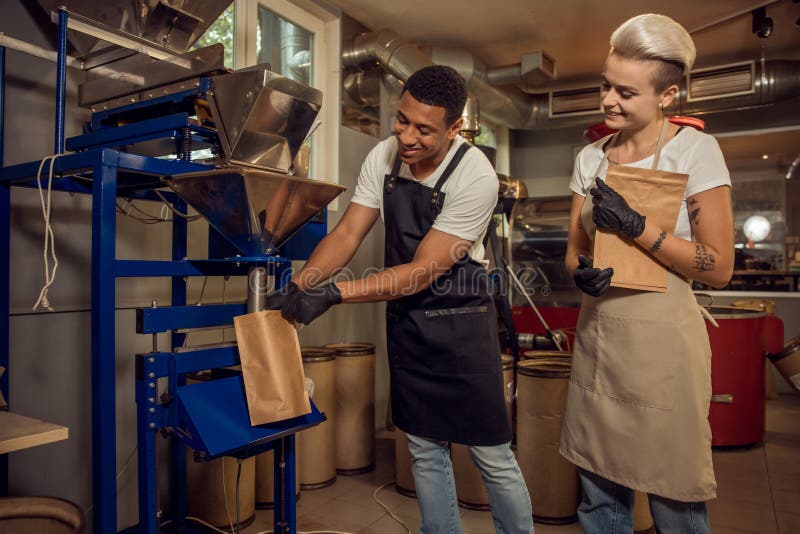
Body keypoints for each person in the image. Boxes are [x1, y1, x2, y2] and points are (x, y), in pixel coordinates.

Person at [267, 65, 533, 533]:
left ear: (455, 129)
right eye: (402, 119)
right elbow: (349, 231)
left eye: (424, 129)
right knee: (424, 449)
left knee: (492, 453)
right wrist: (302, 283)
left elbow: (420, 272)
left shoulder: (476, 177)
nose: (407, 136)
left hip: (463, 329)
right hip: (410, 325)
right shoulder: (385, 156)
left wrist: (334, 293)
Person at [560, 13, 734, 534]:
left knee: (673, 498)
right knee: (599, 498)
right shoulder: (590, 159)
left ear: (668, 94)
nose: (609, 100)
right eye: (605, 85)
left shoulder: (695, 151)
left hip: (664, 353)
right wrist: (581, 272)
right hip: (600, 344)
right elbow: (574, 252)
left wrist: (639, 228)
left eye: (626, 92)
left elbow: (719, 266)